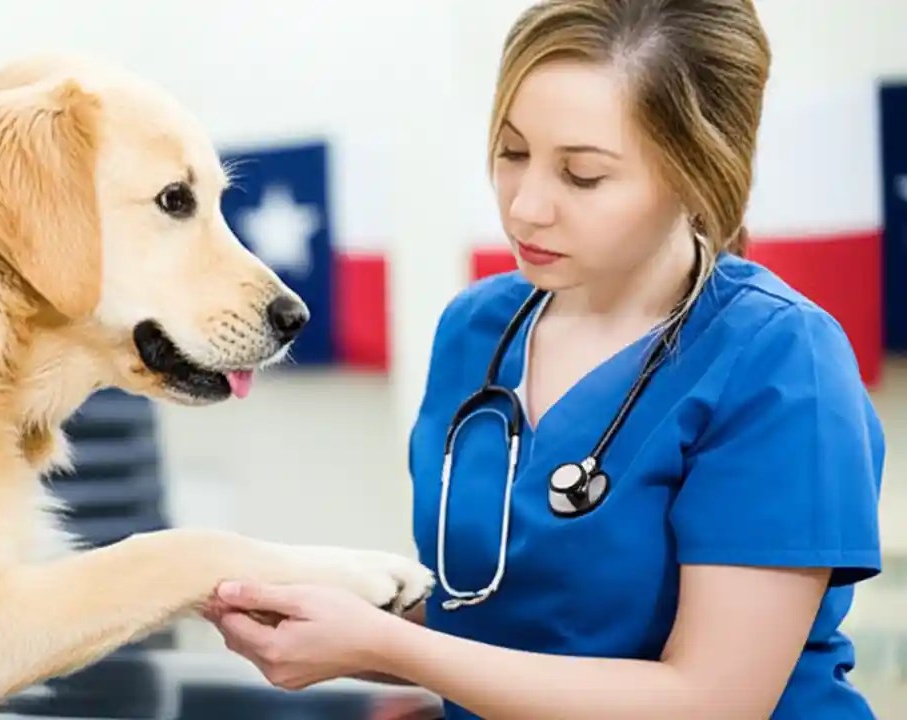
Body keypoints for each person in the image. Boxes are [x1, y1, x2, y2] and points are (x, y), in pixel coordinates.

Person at [202, 1, 886, 718]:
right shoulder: (477, 329)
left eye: (582, 176)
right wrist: (310, 609)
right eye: (511, 152)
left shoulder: (780, 361)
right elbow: (496, 613)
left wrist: (384, 648)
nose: (526, 207)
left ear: (697, 173)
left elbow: (710, 700)